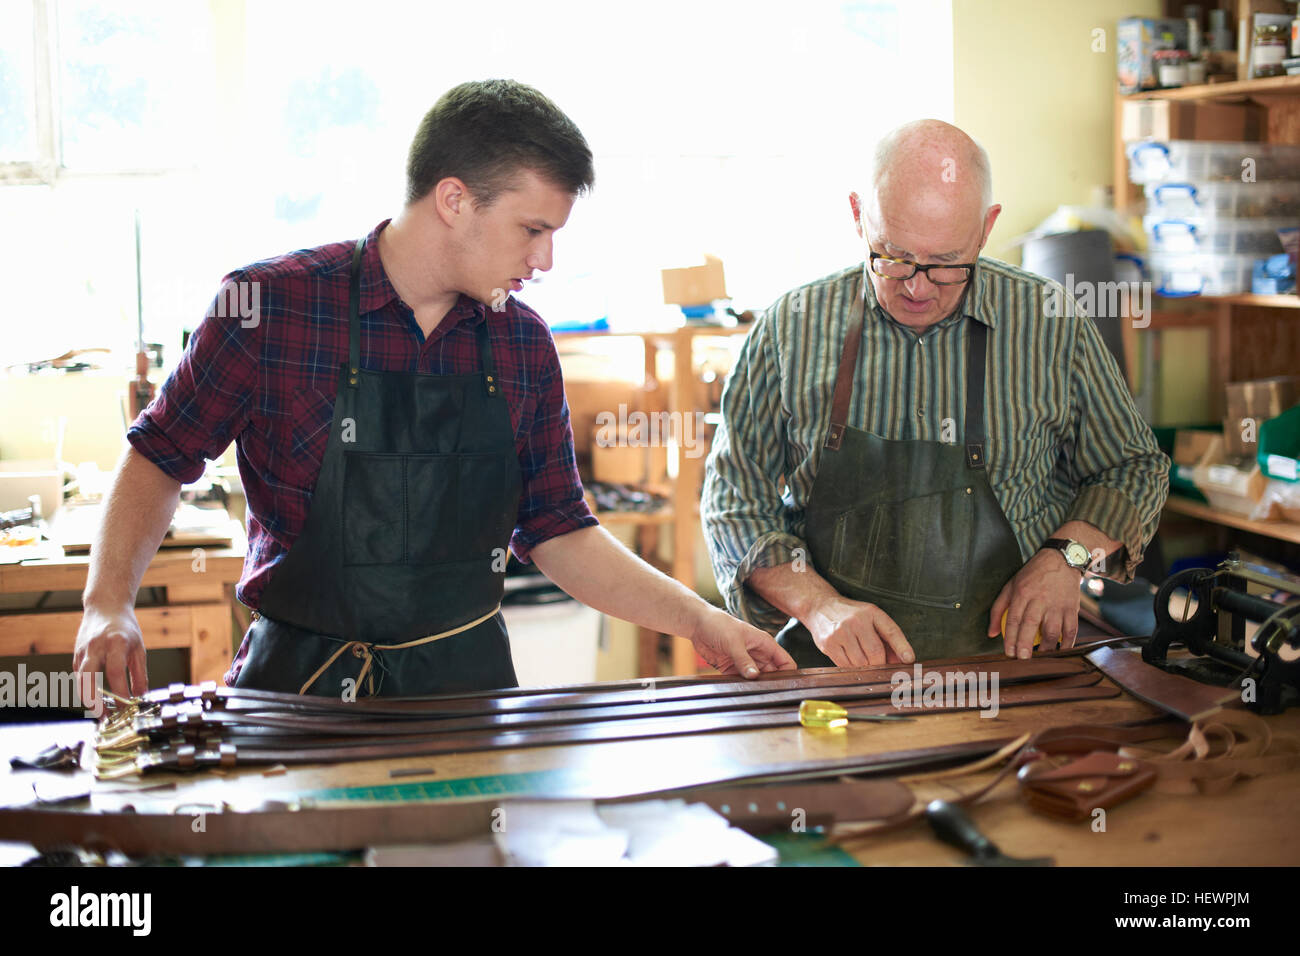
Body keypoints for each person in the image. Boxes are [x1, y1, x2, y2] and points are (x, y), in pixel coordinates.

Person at [75, 79, 794, 699]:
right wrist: (108, 604)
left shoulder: (522, 345)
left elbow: (558, 530)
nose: (546, 260)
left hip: (464, 698)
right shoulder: (269, 306)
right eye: (532, 229)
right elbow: (160, 455)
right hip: (298, 697)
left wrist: (701, 620)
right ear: (454, 199)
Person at [702, 119, 1169, 669]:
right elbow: (735, 504)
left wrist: (1065, 559)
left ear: (987, 228)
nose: (918, 288)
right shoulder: (792, 328)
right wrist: (820, 605)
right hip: (834, 678)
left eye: (947, 264)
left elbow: (1134, 467)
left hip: (1011, 673)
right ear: (858, 215)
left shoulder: (1050, 323)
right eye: (893, 256)